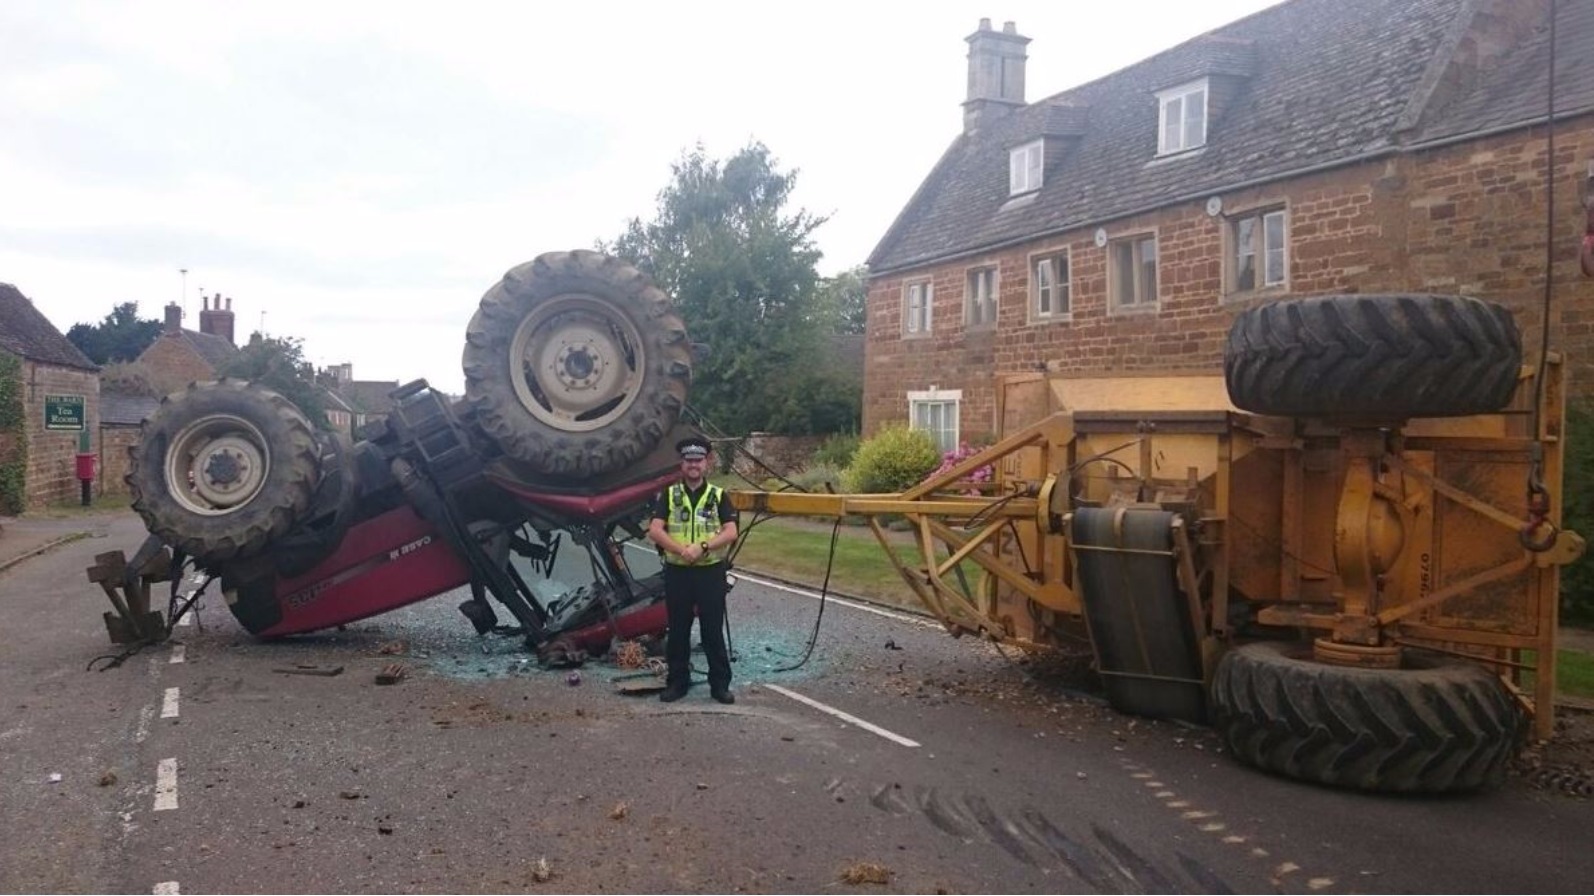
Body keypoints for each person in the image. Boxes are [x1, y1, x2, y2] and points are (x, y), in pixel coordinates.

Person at [646, 435, 740, 704]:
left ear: (706, 463)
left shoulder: (718, 496)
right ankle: (677, 683)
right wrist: (679, 550)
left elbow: (731, 531)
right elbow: (655, 529)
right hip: (678, 573)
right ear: (682, 465)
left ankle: (720, 685)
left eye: (698, 460)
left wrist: (702, 547)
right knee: (678, 630)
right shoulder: (669, 495)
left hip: (709, 572)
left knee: (712, 630)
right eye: (689, 461)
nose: (693, 465)